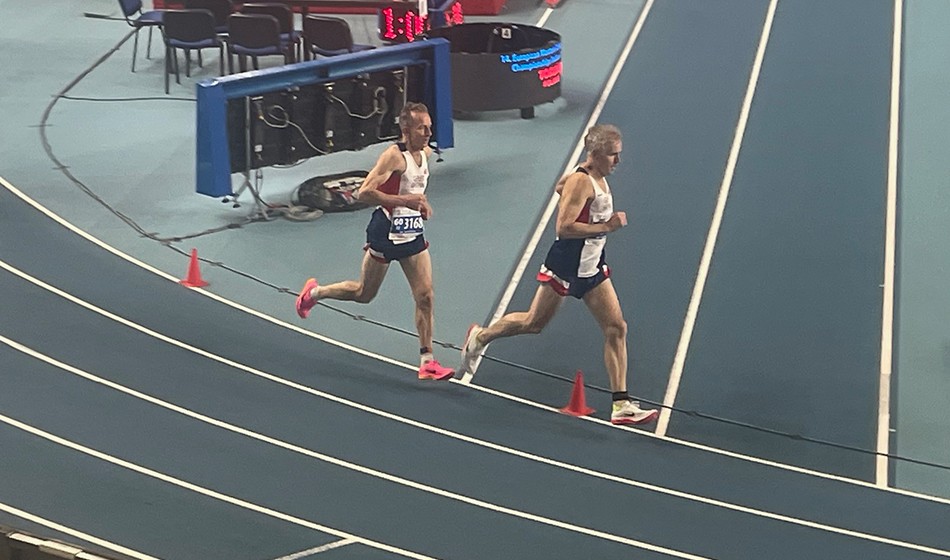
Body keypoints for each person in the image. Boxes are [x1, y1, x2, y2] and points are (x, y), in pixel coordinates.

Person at [459, 124, 658, 425]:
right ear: (595, 154)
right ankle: (480, 337)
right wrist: (607, 226)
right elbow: (563, 228)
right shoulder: (582, 181)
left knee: (616, 327)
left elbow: (559, 187)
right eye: (613, 155)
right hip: (566, 264)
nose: (618, 161)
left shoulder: (592, 176)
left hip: (591, 265)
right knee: (533, 323)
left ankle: (621, 404)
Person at [295, 102, 454, 381]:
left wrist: (422, 204)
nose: (429, 133)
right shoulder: (393, 157)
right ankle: (314, 293)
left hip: (412, 233)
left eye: (430, 127)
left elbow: (416, 190)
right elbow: (364, 192)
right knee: (364, 294)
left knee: (425, 296)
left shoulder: (427, 153)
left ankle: (427, 360)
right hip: (384, 232)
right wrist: (405, 201)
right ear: (406, 130)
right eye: (422, 128)